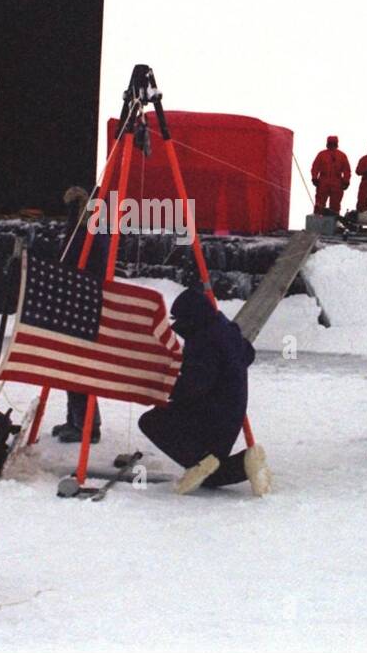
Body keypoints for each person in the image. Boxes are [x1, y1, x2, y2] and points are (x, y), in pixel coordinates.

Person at [138, 288, 271, 496]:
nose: (176, 325)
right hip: (231, 417)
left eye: (180, 319)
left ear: (192, 317)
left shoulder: (204, 340)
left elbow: (195, 386)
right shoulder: (226, 329)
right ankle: (245, 462)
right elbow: (248, 354)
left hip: (211, 420)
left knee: (151, 421)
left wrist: (162, 388)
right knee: (211, 475)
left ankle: (200, 461)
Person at [53, 185, 105, 445]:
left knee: (76, 367)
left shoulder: (84, 233)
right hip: (83, 303)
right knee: (74, 366)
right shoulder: (92, 232)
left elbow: (71, 259)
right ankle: (78, 419)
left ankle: (85, 424)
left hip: (80, 305)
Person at [310, 135, 351, 216]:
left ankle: (333, 224)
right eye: (330, 143)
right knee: (319, 204)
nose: (332, 145)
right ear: (328, 144)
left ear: (336, 144)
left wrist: (346, 181)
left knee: (335, 205)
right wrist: (314, 178)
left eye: (333, 143)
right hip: (323, 181)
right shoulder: (322, 154)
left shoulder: (342, 155)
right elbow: (315, 167)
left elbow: (347, 170)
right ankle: (317, 224)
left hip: (336, 182)